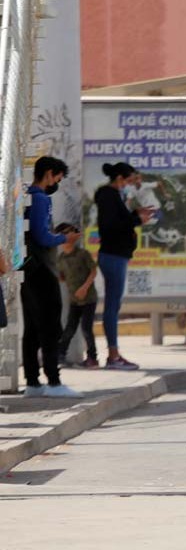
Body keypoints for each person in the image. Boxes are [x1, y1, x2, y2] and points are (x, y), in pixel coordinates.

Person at [21, 156, 82, 398]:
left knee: (33, 328)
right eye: (58, 176)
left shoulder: (26, 197)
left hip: (28, 269)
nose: (57, 181)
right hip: (42, 270)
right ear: (48, 174)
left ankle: (33, 382)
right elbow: (42, 237)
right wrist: (65, 238)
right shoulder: (40, 199)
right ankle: (54, 382)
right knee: (49, 326)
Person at [95, 162, 154, 371]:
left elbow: (120, 222)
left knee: (114, 305)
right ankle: (113, 355)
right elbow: (110, 227)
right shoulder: (108, 196)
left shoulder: (115, 196)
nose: (130, 185)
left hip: (117, 256)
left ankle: (114, 353)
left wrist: (137, 216)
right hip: (113, 256)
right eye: (129, 181)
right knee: (112, 306)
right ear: (120, 178)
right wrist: (136, 218)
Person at [55, 223, 99, 369]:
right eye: (66, 233)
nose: (70, 235)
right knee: (70, 328)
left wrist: (84, 288)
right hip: (74, 300)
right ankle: (60, 355)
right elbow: (61, 276)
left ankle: (92, 358)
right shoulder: (60, 258)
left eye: (72, 232)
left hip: (88, 299)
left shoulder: (82, 254)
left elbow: (93, 271)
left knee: (86, 328)